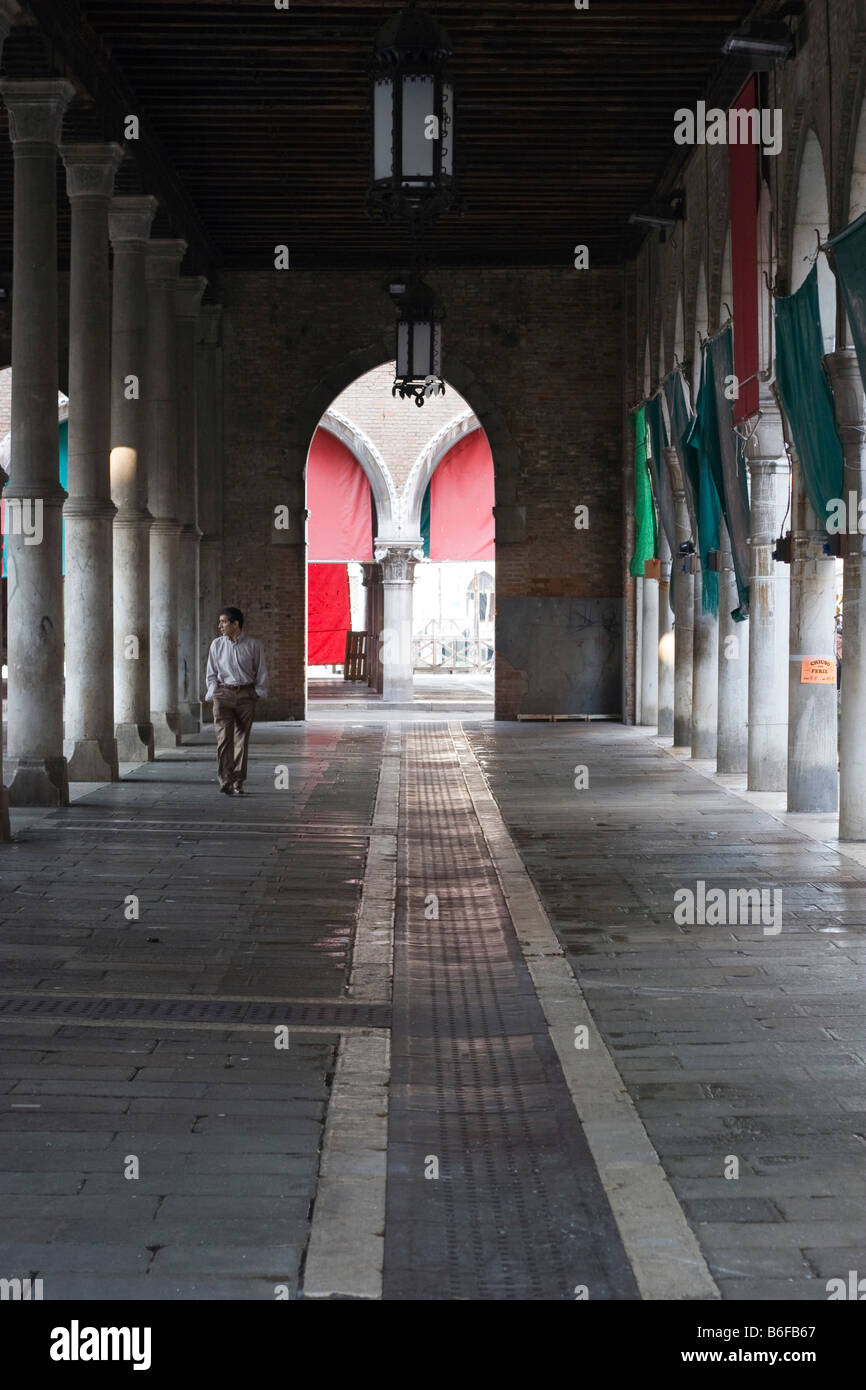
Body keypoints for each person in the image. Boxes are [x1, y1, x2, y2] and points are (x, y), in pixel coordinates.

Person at [205, 607, 269, 795]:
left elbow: (261, 671)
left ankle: (238, 780)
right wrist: (213, 692)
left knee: (242, 739)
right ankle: (225, 779)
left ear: (236, 624)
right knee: (224, 739)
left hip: (246, 695)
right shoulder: (216, 645)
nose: (220, 626)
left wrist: (257, 693)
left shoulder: (253, 645)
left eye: (224, 622)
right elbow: (211, 673)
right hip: (223, 694)